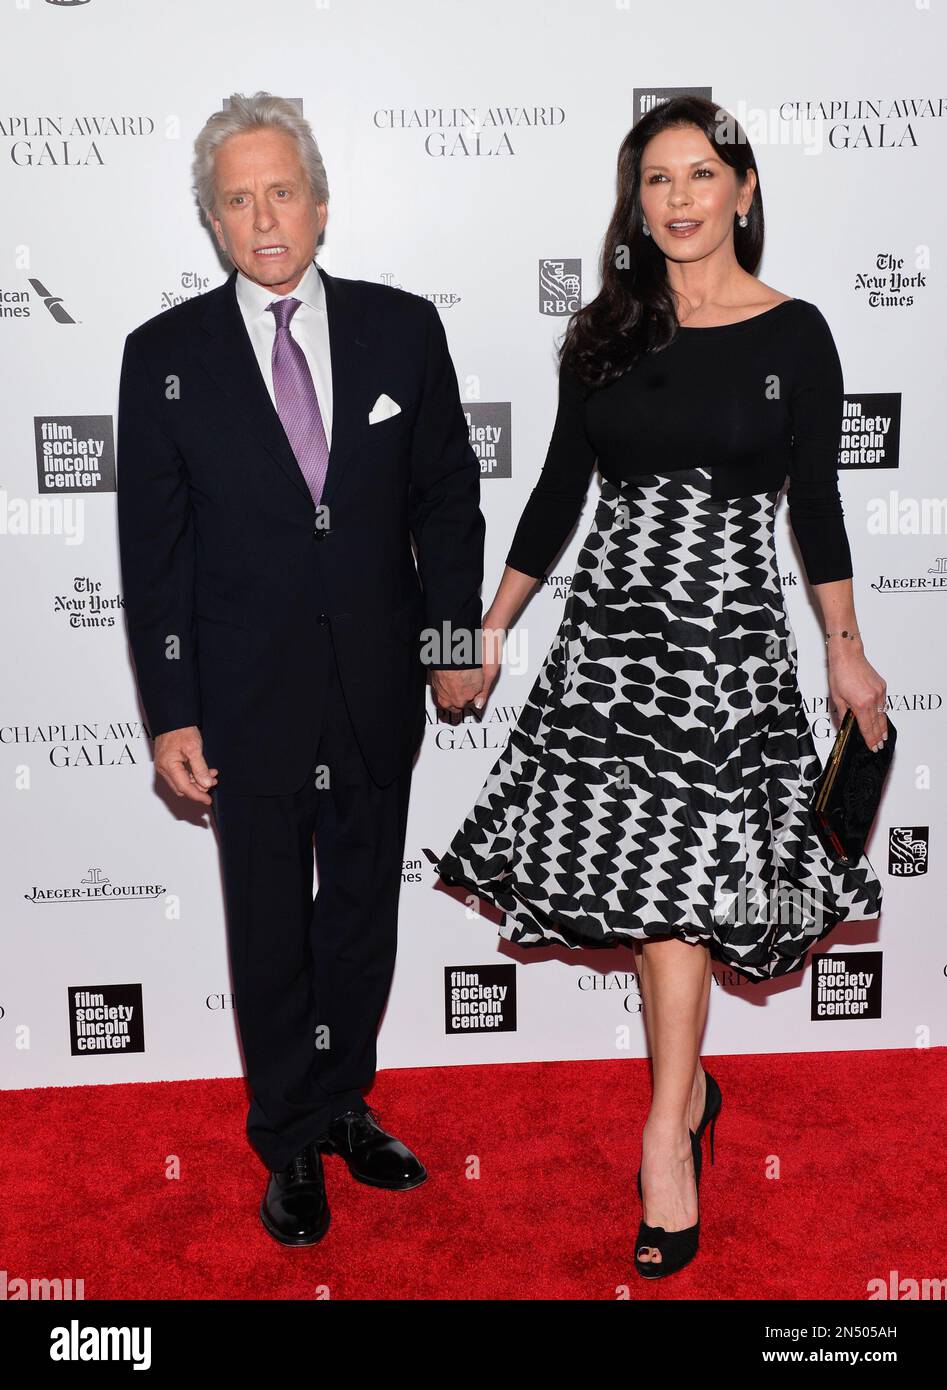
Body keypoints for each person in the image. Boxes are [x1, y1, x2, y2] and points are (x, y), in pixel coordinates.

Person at [437, 95, 888, 1279]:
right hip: (613, 638)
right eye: (654, 179)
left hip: (727, 644)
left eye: (700, 175)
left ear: (741, 191)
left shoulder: (795, 333)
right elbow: (553, 496)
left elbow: (818, 507)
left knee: (687, 891)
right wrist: (489, 629)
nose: (678, 198)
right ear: (632, 204)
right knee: (652, 892)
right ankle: (682, 1098)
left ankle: (664, 1137)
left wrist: (841, 644)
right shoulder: (603, 330)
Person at [117, 91, 485, 1246]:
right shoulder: (163, 357)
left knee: (359, 923)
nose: (263, 216)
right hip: (243, 702)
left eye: (281, 191)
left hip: (379, 690)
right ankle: (288, 1135)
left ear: (319, 204)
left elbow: (446, 497)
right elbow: (154, 552)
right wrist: (170, 712)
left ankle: (344, 1102)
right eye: (238, 199)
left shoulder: (402, 329)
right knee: (269, 929)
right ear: (213, 223)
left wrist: (446, 642)